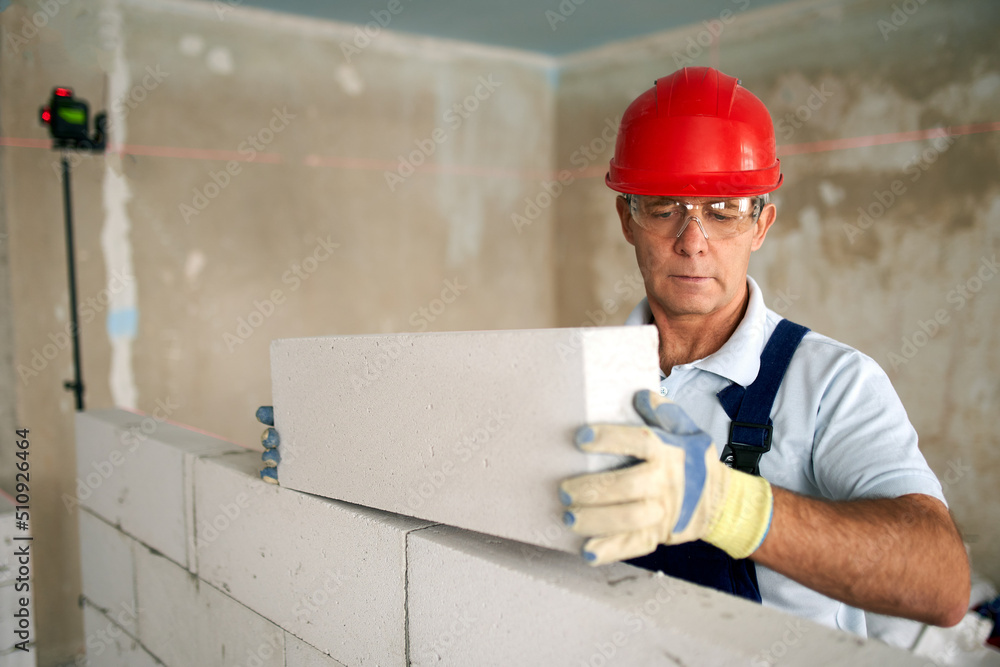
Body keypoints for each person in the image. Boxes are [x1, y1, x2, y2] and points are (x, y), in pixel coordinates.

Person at [558, 66, 970, 635]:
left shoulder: (833, 383)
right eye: (664, 208)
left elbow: (942, 584)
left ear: (761, 224)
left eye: (722, 212)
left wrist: (728, 507)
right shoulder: (578, 375)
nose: (692, 241)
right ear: (627, 220)